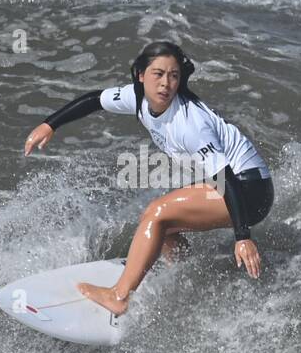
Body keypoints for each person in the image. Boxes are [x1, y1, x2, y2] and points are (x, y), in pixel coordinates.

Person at [23, 41, 274, 316]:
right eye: (158, 74)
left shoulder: (190, 124)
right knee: (163, 224)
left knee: (157, 212)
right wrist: (50, 124)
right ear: (141, 75)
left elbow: (225, 177)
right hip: (236, 185)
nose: (166, 83)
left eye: (174, 75)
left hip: (248, 190)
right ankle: (185, 276)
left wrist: (243, 237)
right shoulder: (138, 97)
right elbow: (95, 100)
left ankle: (119, 296)